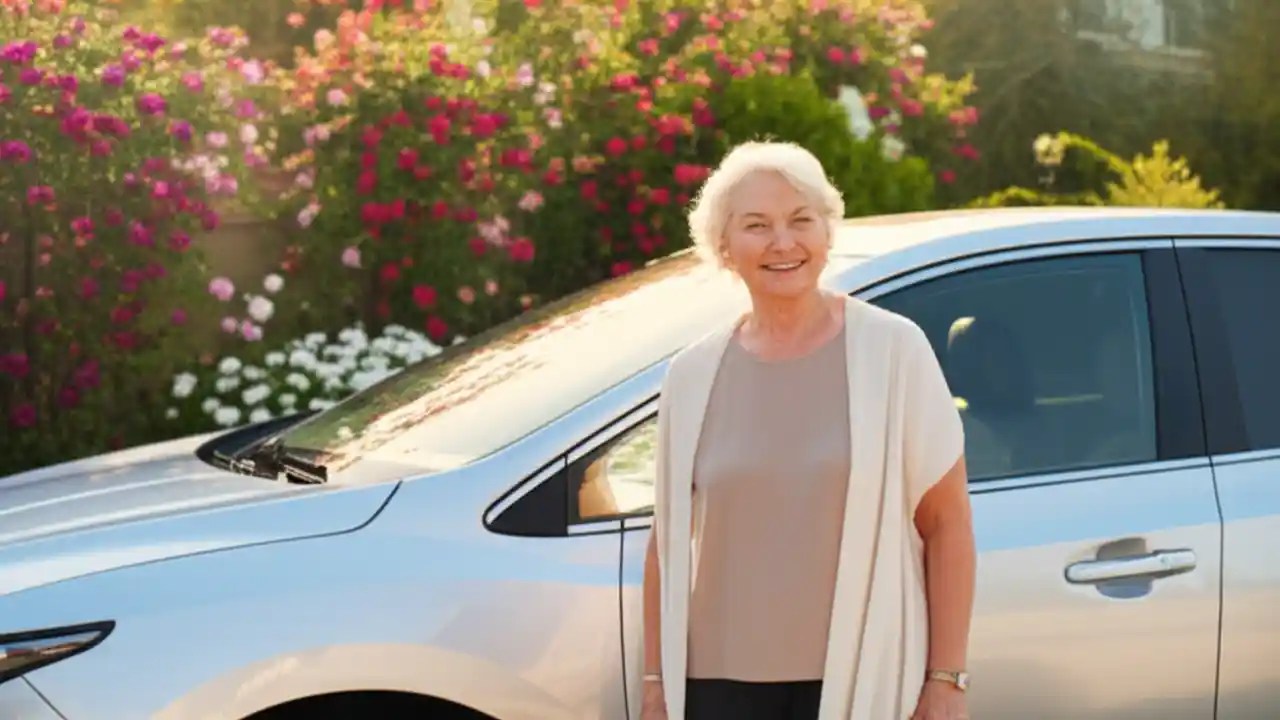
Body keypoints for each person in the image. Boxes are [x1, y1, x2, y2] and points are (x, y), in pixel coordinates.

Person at [640, 141, 976, 720]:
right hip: (717, 690)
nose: (783, 242)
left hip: (862, 676)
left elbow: (947, 525)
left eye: (801, 220)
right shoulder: (692, 374)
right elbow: (665, 543)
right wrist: (654, 686)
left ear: (827, 231)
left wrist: (945, 683)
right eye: (756, 225)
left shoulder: (894, 351)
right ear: (724, 246)